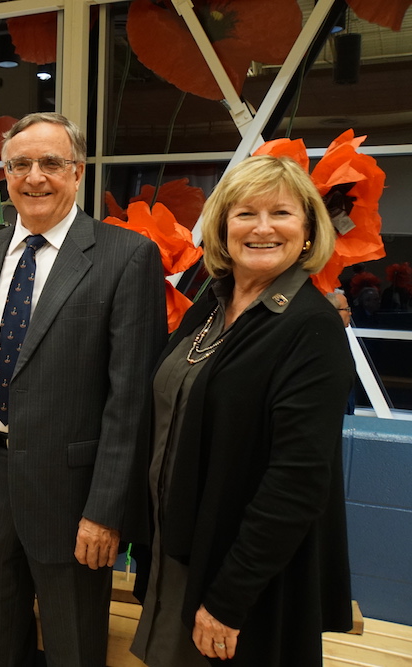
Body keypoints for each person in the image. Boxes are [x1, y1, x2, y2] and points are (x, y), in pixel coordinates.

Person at [0, 112, 167, 666]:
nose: (34, 176)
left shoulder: (126, 257)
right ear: (5, 173)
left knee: (74, 648)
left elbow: (131, 402)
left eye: (50, 162)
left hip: (74, 499)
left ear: (77, 171)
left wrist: (105, 511)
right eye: (20, 164)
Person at [130, 154, 354, 666]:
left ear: (308, 230)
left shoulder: (310, 329)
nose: (262, 228)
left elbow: (295, 484)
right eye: (245, 213)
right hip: (180, 557)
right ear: (223, 227)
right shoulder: (212, 306)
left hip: (242, 581)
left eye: (281, 214)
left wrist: (228, 599)